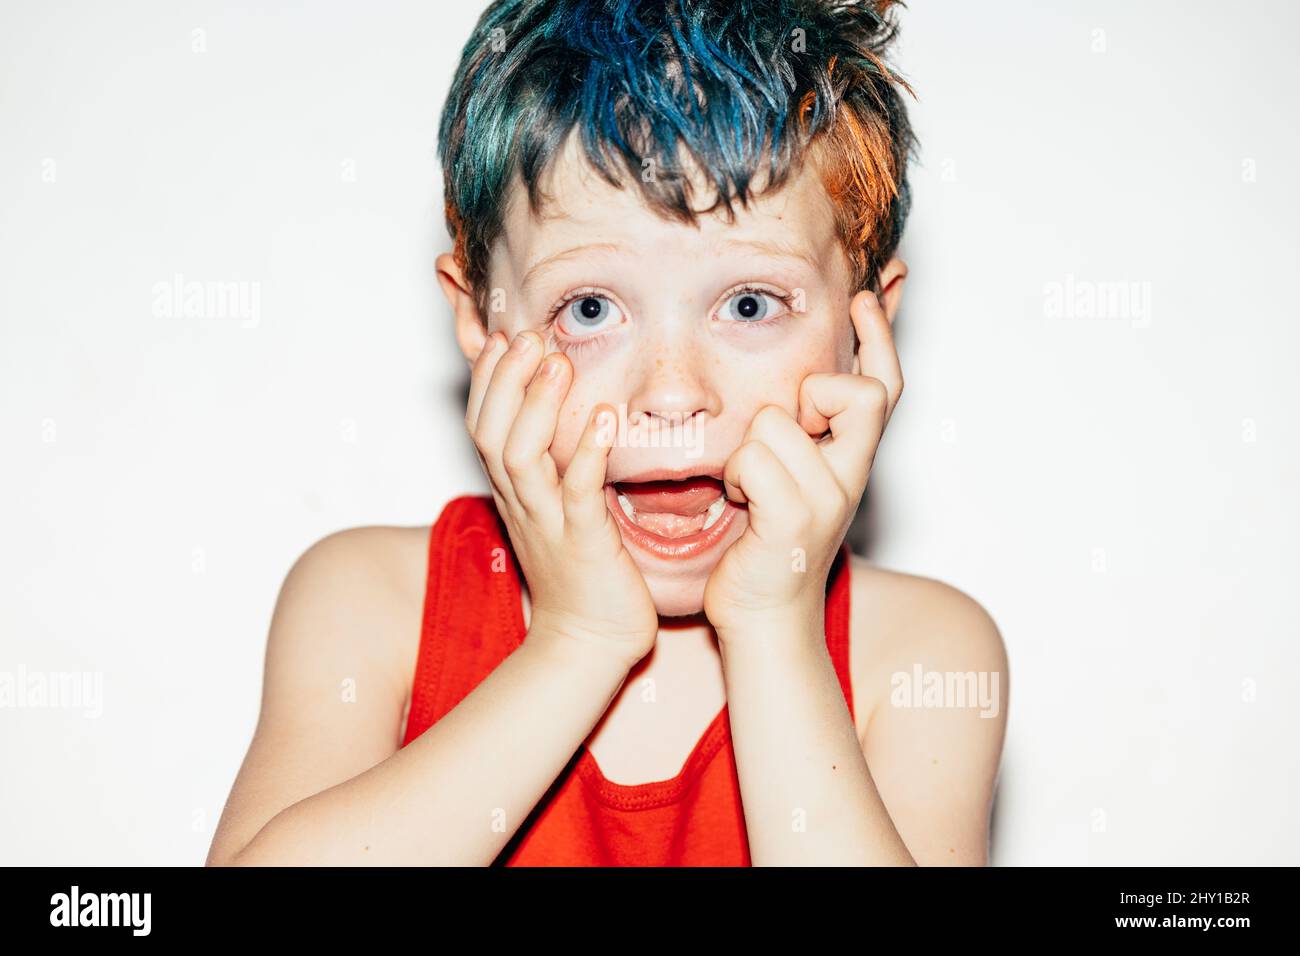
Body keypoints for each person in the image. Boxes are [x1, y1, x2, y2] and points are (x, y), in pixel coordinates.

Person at [208, 0, 1009, 867]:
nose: (671, 393)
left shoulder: (925, 657)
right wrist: (577, 642)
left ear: (868, 328)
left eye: (748, 305)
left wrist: (776, 624)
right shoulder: (373, 605)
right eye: (590, 308)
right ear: (480, 320)